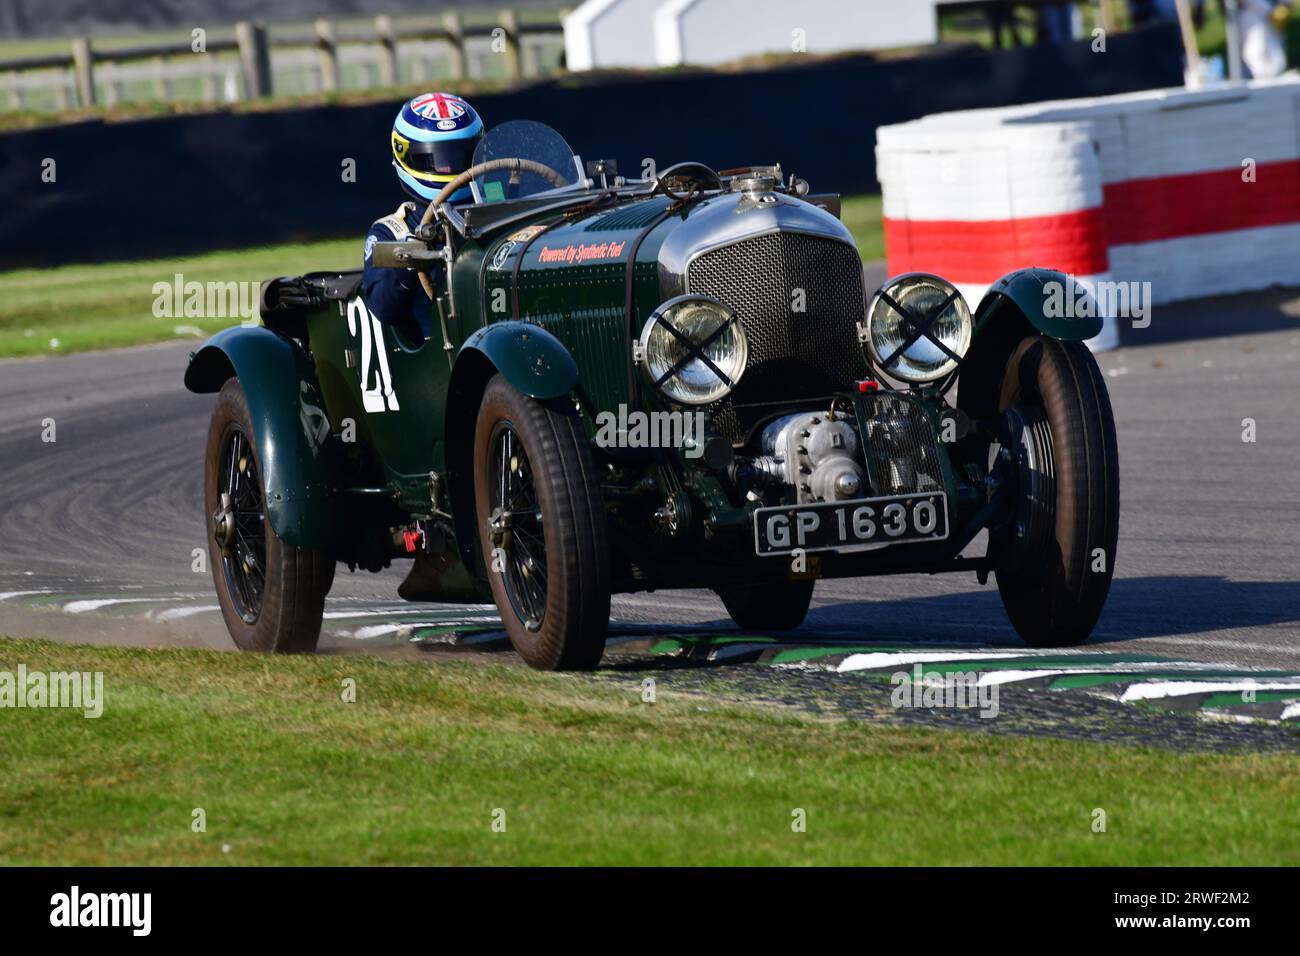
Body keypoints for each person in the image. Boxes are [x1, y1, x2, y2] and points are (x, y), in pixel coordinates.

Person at [362, 92, 484, 343]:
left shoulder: (496, 205)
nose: (450, 169)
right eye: (438, 160)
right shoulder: (392, 231)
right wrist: (410, 258)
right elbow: (384, 308)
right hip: (439, 347)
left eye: (459, 157)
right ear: (406, 155)